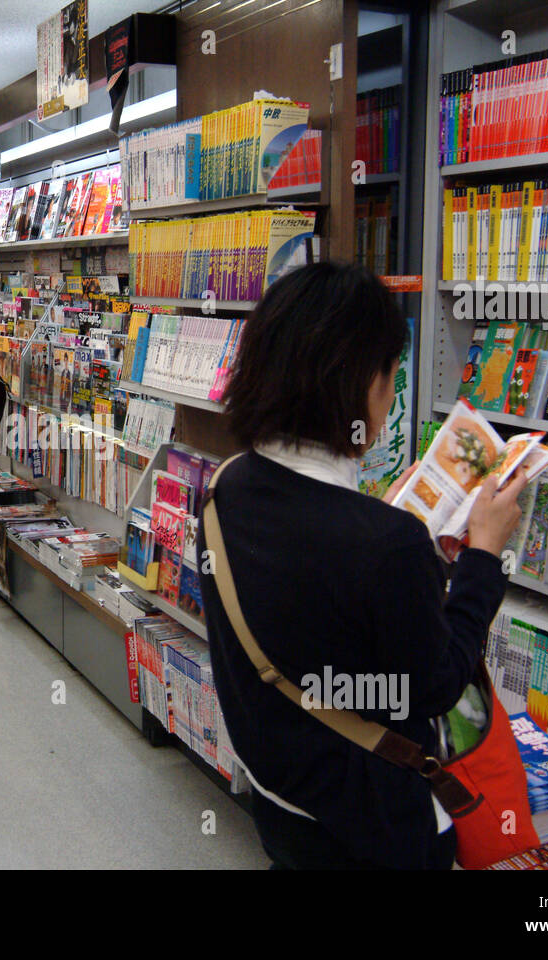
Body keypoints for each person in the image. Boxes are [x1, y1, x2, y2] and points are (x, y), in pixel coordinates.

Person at [199, 261, 528, 870]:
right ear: (359, 382)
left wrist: (383, 520)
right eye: (390, 374)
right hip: (374, 823)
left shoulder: (226, 487)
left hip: (280, 795)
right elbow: (433, 686)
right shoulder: (387, 543)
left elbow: (304, 598)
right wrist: (484, 558)